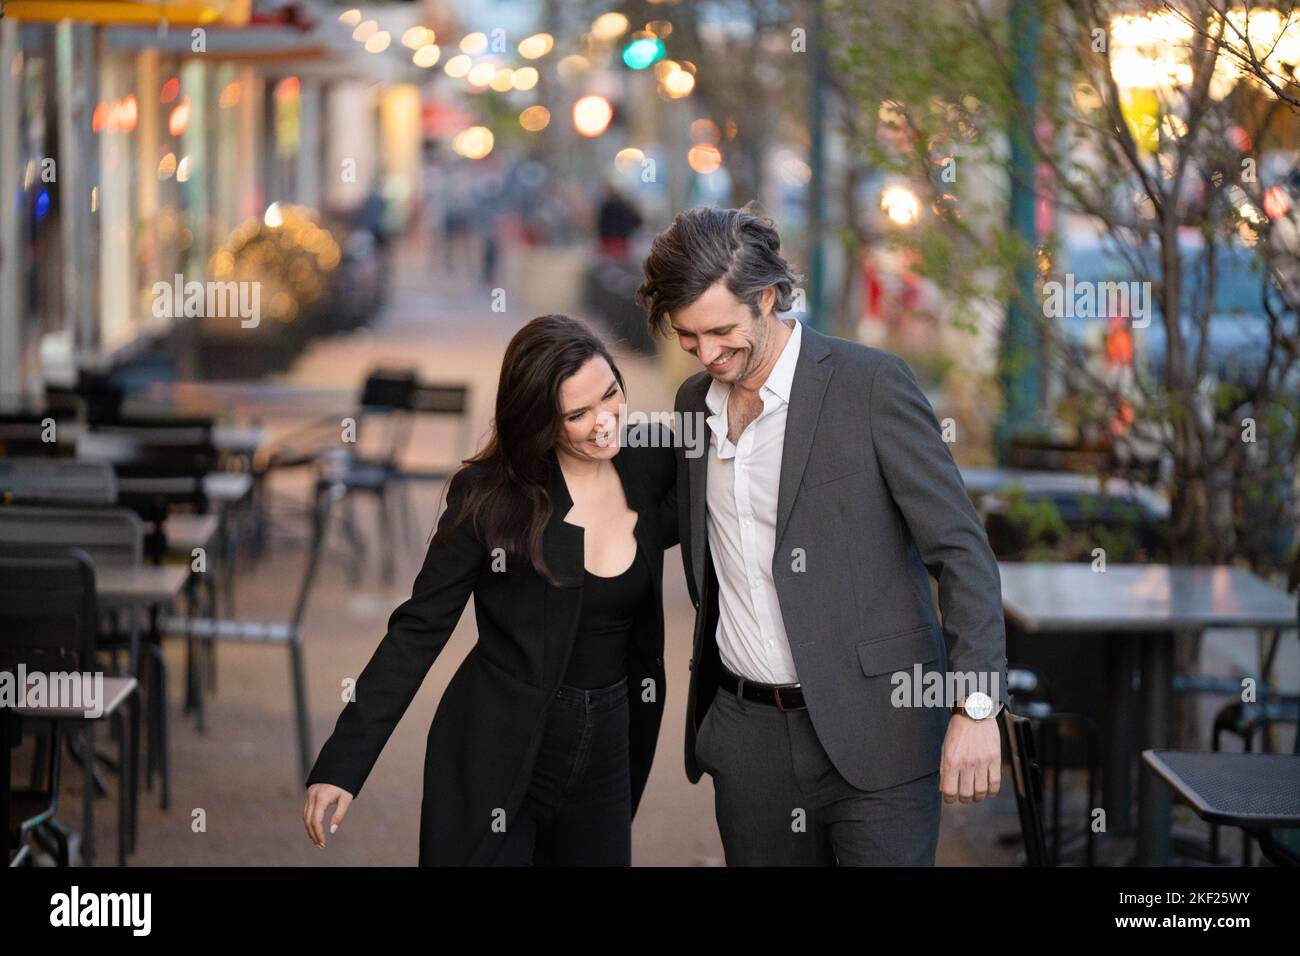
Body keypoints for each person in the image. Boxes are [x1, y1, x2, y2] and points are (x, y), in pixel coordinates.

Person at [637, 204, 1008, 866]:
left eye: (722, 331)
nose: (709, 353)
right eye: (688, 338)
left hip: (880, 737)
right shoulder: (695, 403)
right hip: (747, 740)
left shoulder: (871, 385)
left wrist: (976, 705)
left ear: (769, 296)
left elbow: (961, 550)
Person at [303, 315, 678, 865]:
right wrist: (343, 762)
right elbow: (417, 631)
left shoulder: (651, 459)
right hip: (495, 751)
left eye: (611, 394)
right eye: (578, 414)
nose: (605, 422)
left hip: (606, 754)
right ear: (539, 423)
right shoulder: (489, 497)